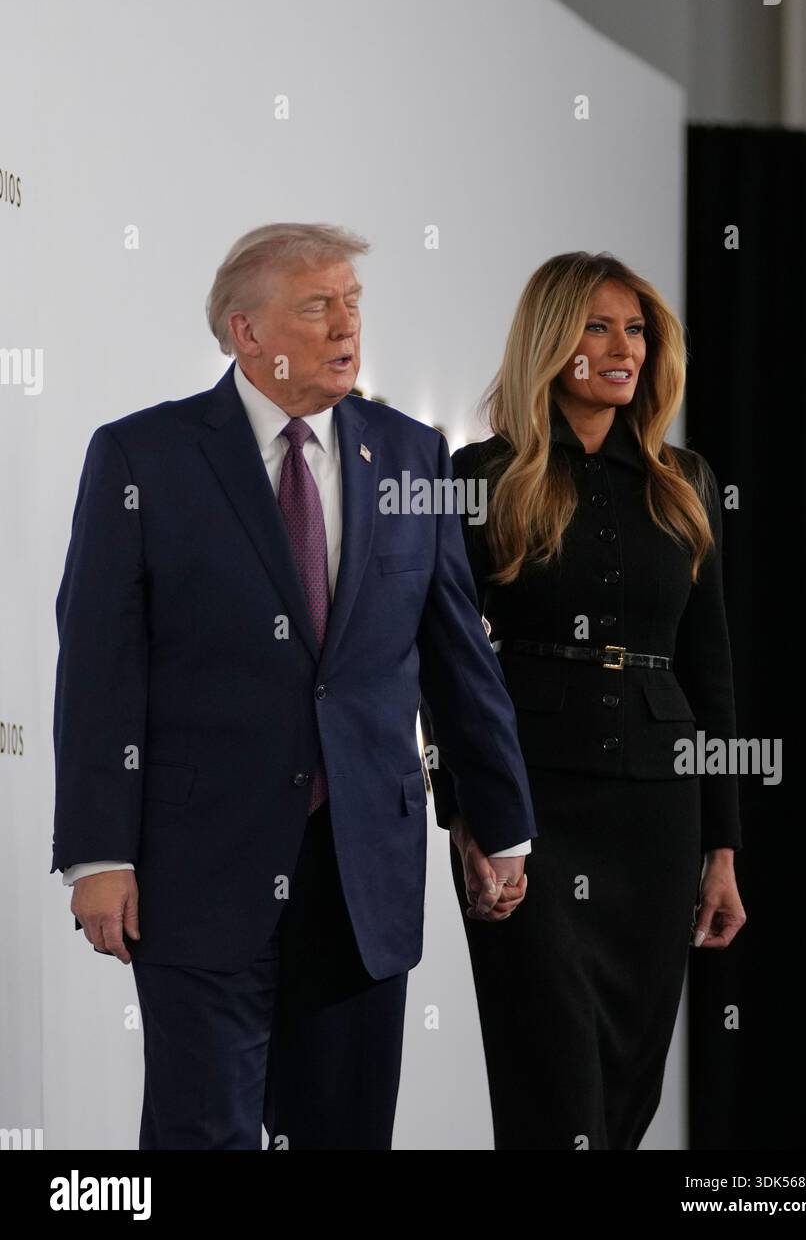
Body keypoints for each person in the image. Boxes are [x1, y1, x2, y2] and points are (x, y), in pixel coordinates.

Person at [51, 222, 536, 1150]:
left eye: (353, 302)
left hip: (363, 874)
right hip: (198, 869)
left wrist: (497, 818)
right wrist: (96, 853)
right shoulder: (141, 458)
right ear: (247, 332)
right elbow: (98, 671)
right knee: (203, 1133)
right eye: (317, 306)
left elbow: (455, 657)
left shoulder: (411, 455)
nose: (346, 324)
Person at [424, 250, 747, 1150]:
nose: (623, 348)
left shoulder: (688, 482)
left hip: (657, 815)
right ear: (551, 341)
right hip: (526, 805)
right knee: (550, 1081)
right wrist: (465, 816)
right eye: (597, 326)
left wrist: (721, 848)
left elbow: (710, 670)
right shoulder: (482, 473)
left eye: (637, 329)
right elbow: (444, 661)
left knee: (623, 1096)